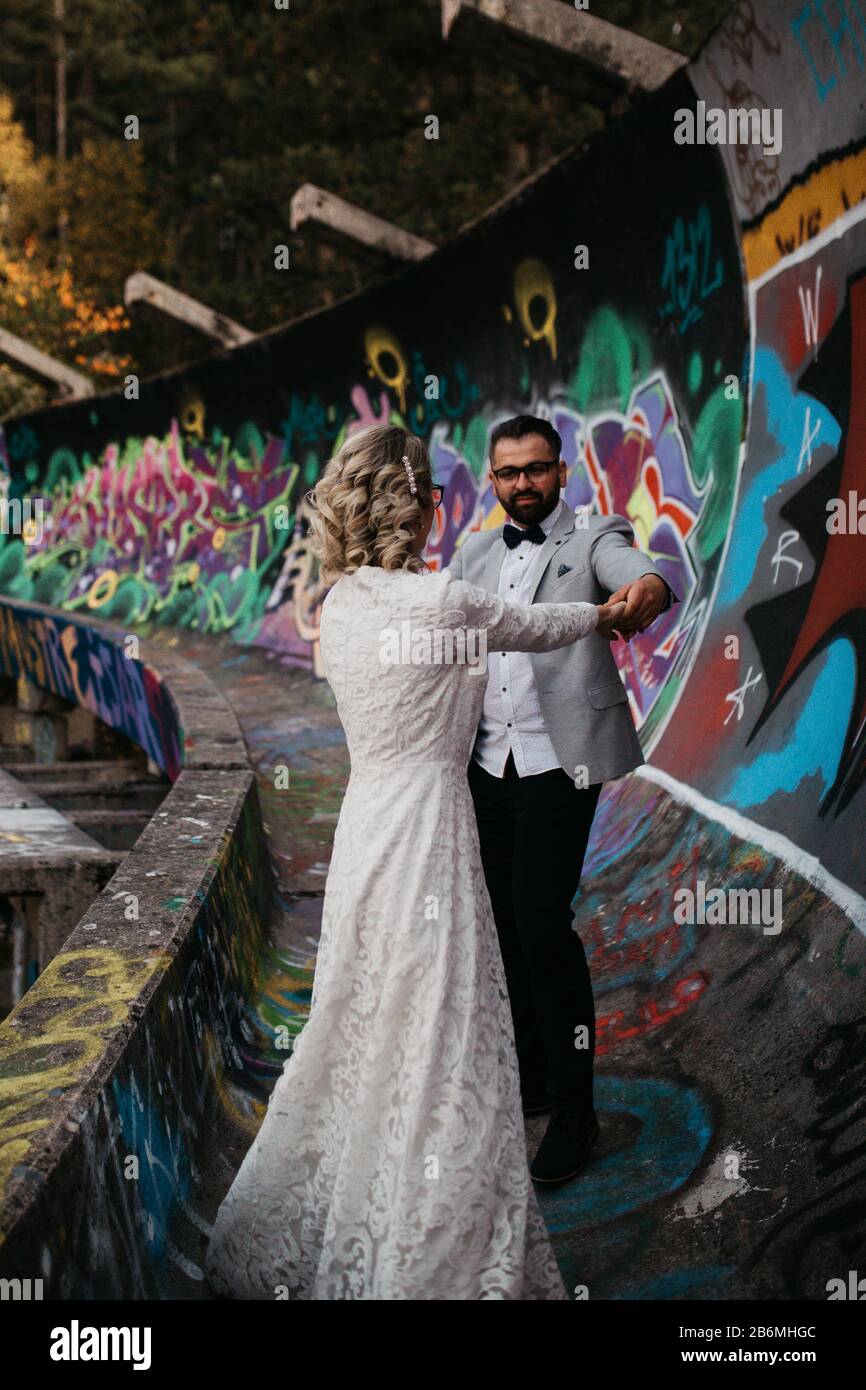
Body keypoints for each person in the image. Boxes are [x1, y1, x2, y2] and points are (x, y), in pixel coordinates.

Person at [203, 422, 627, 1300]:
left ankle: (361, 1197)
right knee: (441, 1020)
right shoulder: (449, 603)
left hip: (366, 831)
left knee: (362, 1012)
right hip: (434, 828)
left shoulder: (337, 607)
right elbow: (549, 625)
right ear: (420, 507)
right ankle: (427, 1238)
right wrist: (615, 610)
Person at [448, 414, 677, 1186]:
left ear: (562, 471)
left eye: (536, 470)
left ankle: (576, 1109)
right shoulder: (474, 552)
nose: (522, 485)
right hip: (484, 765)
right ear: (492, 477)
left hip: (559, 764)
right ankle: (536, 1076)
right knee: (507, 927)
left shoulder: (591, 537)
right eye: (508, 473)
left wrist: (647, 584)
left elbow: (632, 568)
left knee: (543, 922)